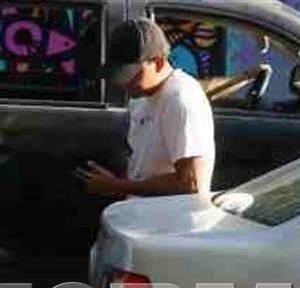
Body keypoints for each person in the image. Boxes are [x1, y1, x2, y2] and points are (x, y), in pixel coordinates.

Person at [77, 18, 216, 197]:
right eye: (120, 76)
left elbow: (192, 183)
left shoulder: (181, 99)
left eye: (132, 76)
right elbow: (145, 166)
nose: (125, 84)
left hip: (169, 222)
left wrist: (117, 186)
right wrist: (115, 183)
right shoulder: (141, 97)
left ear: (158, 62)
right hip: (140, 215)